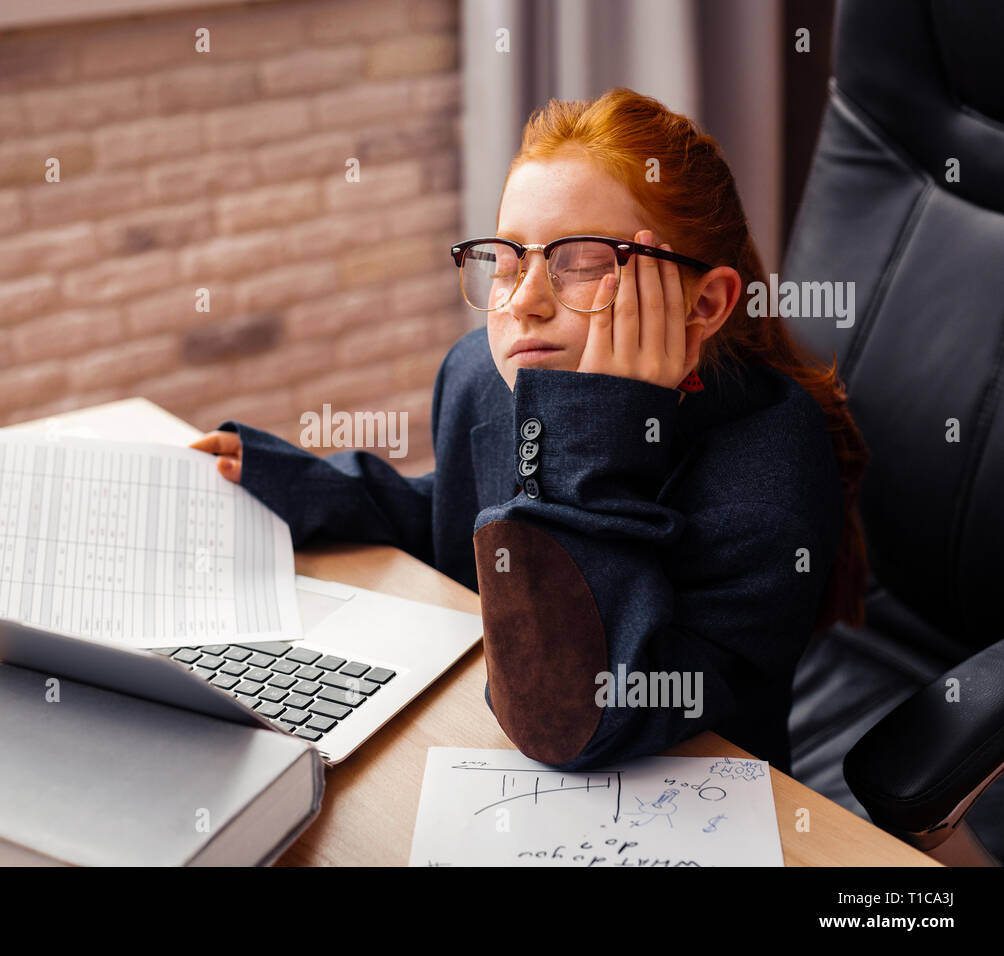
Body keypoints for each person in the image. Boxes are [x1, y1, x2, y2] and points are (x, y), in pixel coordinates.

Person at [190, 88, 868, 774]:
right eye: (509, 261)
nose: (524, 300)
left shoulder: (772, 469)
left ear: (706, 302)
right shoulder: (481, 377)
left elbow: (573, 719)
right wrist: (301, 485)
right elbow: (462, 520)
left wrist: (596, 427)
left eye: (579, 262)